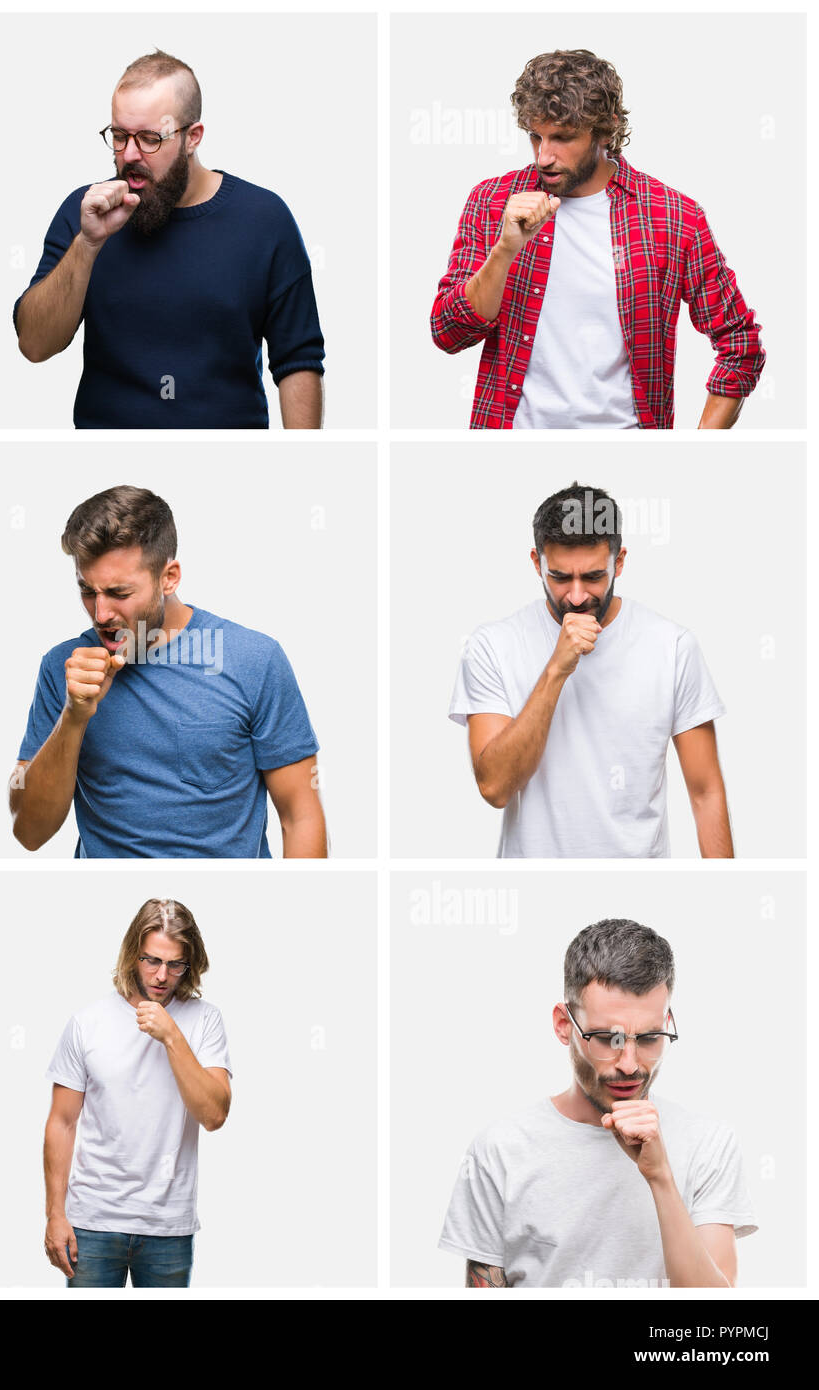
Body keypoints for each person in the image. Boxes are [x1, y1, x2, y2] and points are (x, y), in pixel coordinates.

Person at [430, 49, 764, 429]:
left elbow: (740, 344)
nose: (544, 156)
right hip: (511, 450)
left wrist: (693, 455)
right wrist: (505, 250)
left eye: (562, 138)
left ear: (606, 130)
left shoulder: (673, 217)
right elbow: (448, 333)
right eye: (535, 137)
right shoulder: (493, 202)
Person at [14, 49, 324, 429]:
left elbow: (298, 361)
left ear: (193, 137)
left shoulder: (265, 219)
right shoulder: (84, 213)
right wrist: (87, 245)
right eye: (119, 136)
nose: (129, 154)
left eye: (148, 139)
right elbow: (34, 345)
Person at [10, 485, 326, 858]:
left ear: (169, 577)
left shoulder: (254, 659)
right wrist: (74, 716)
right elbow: (29, 832)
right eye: (87, 591)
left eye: (119, 593)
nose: (101, 614)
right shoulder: (64, 668)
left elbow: (300, 817)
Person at [440, 918, 756, 1288]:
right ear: (563, 1025)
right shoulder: (500, 1150)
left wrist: (660, 1177)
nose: (630, 1064)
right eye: (608, 1038)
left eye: (651, 1037)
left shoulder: (709, 1144)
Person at [450, 481, 731, 857]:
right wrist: (556, 670)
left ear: (619, 561)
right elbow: (495, 787)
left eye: (594, 576)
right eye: (561, 578)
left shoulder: (672, 646)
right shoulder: (492, 645)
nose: (578, 596)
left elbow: (705, 792)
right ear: (538, 563)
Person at [43, 899, 231, 1288]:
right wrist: (54, 1215)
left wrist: (171, 1035)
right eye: (151, 960)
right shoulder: (87, 1023)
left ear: (189, 964)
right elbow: (61, 1123)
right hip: (93, 1222)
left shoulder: (205, 1020)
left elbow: (214, 1115)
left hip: (168, 1226)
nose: (162, 975)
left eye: (175, 964)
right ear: (132, 954)